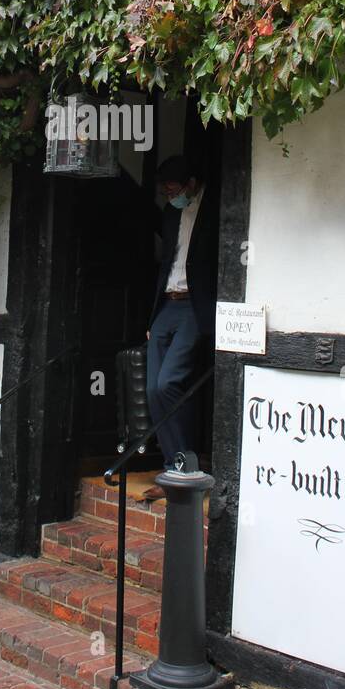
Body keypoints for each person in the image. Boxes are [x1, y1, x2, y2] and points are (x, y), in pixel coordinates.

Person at [142, 154, 218, 500]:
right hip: (166, 306)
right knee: (153, 389)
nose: (169, 195)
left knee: (169, 382)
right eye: (165, 189)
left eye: (173, 188)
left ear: (191, 184)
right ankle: (177, 466)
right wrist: (151, 317)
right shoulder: (171, 212)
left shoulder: (216, 209)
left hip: (194, 307)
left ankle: (187, 466)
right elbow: (165, 264)